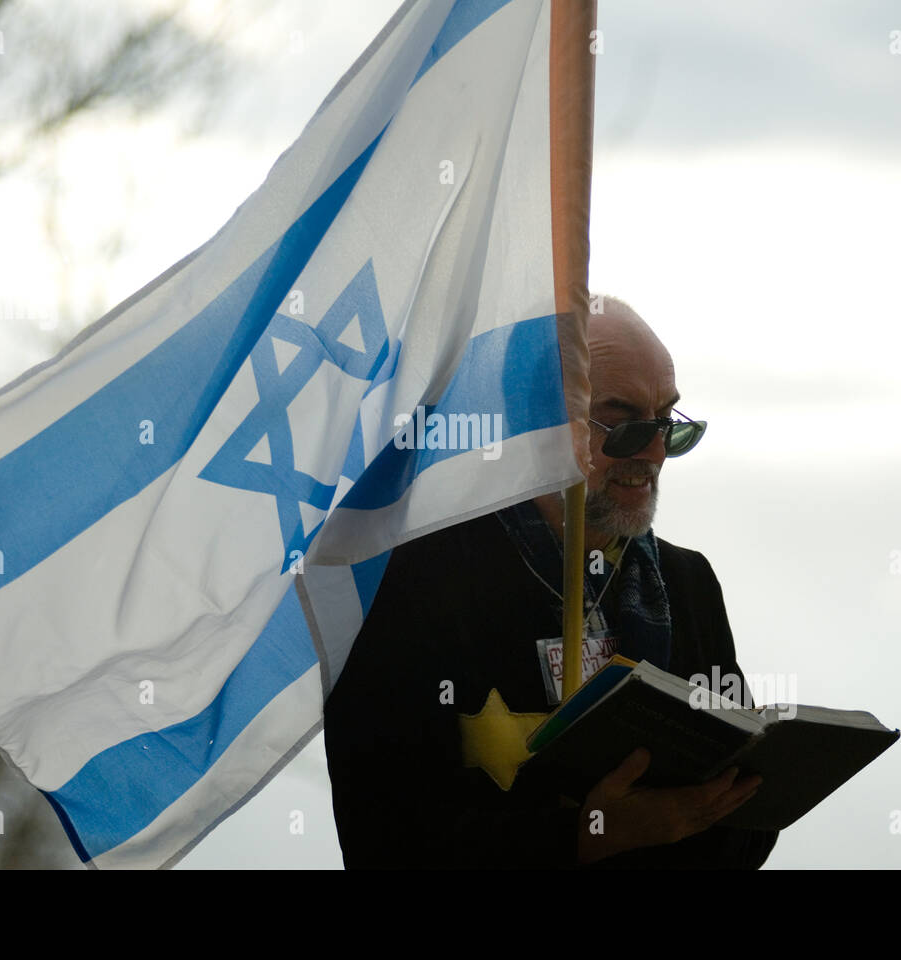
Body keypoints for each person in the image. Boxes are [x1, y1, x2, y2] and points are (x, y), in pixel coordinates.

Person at [322, 296, 777, 868]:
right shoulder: (413, 578)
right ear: (534, 419)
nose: (656, 452)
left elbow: (750, 825)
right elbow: (384, 837)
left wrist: (679, 819)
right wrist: (588, 837)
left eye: (670, 425)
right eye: (627, 425)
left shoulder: (688, 585)